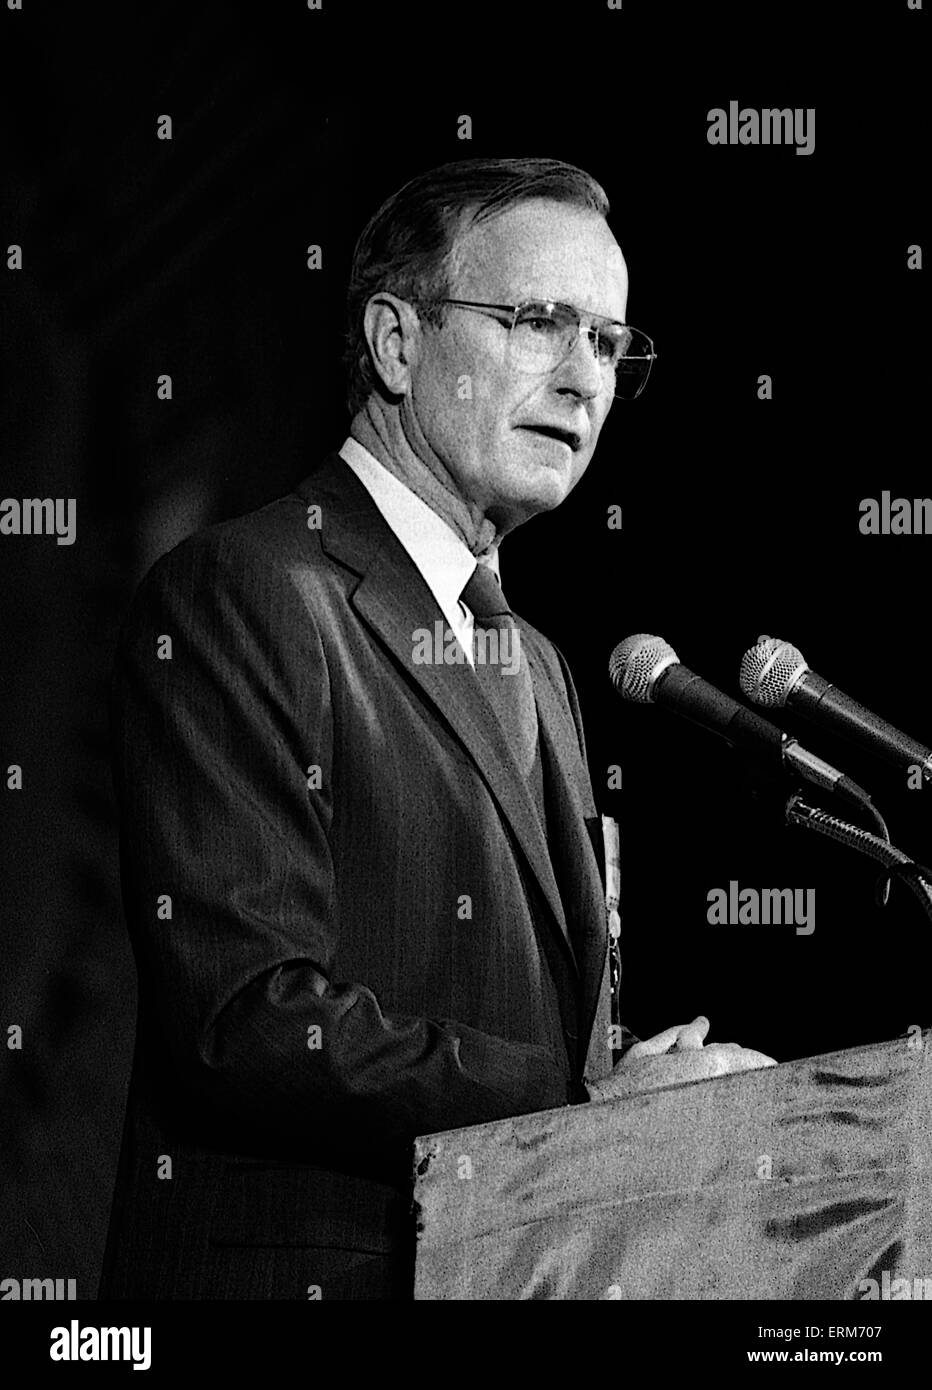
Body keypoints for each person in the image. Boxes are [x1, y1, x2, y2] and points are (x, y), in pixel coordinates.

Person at [100, 156, 774, 1302]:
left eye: (608, 344)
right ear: (397, 343)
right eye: (536, 322)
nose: (580, 379)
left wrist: (639, 1091)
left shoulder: (546, 668)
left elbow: (523, 1036)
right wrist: (587, 1100)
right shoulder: (249, 592)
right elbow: (246, 1015)